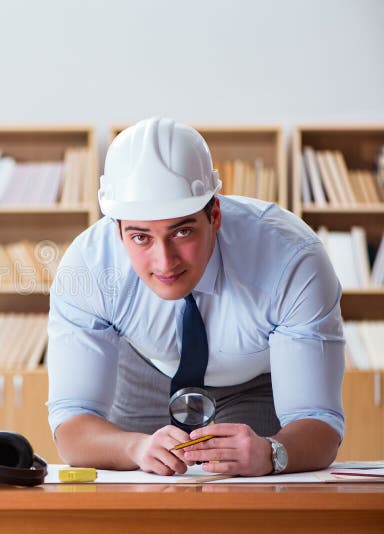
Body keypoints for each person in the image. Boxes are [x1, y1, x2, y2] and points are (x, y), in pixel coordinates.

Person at [46, 117, 344, 477]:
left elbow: (318, 423)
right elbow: (73, 425)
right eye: (140, 237)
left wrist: (271, 452)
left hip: (251, 383)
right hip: (145, 369)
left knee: (245, 501)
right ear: (118, 230)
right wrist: (133, 446)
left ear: (214, 214)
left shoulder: (292, 260)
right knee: (138, 492)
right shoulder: (89, 266)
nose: (164, 261)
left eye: (182, 231)